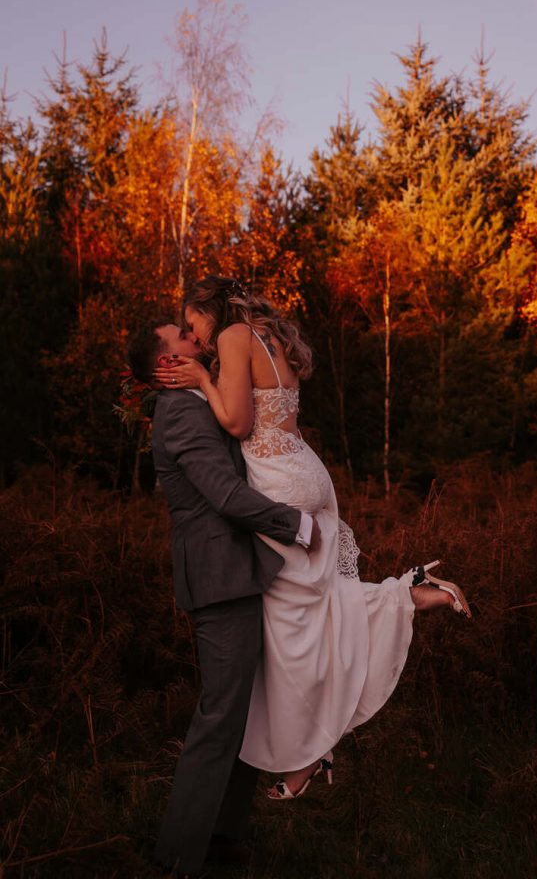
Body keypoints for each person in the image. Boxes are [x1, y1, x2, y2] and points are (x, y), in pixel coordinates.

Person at [153, 276, 471, 804]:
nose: (195, 336)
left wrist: (203, 383)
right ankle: (405, 595)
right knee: (314, 604)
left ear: (213, 312)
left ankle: (309, 747)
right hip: (309, 473)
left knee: (287, 626)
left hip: (277, 482)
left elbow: (236, 424)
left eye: (193, 324)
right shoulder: (266, 332)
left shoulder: (232, 338)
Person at [128, 319, 321, 879]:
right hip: (220, 577)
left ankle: (225, 836)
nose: (198, 342)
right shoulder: (180, 413)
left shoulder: (199, 400)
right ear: (167, 365)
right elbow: (225, 494)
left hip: (242, 570)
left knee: (245, 709)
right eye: (183, 339)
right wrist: (298, 525)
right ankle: (178, 857)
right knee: (221, 714)